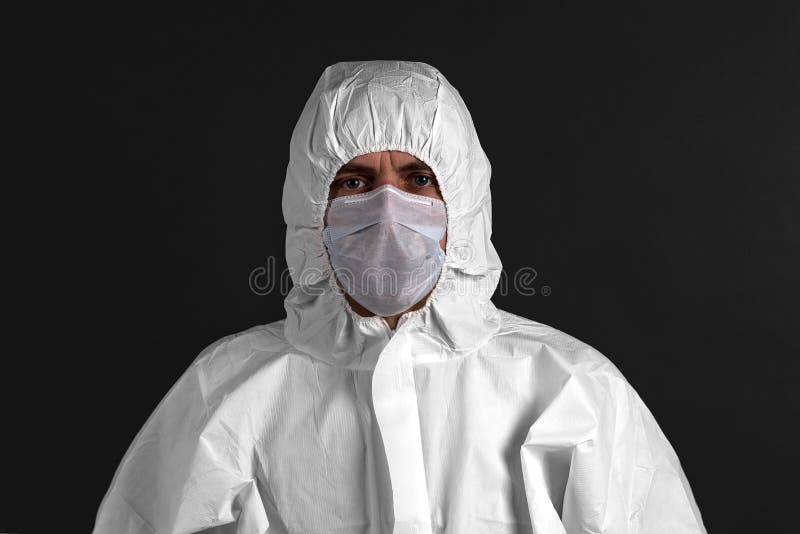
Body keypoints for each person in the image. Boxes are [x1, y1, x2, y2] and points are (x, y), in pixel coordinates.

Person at [93, 60, 707, 534]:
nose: (388, 210)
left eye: (418, 180)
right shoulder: (228, 390)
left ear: (462, 204)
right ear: (312, 208)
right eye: (354, 182)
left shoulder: (568, 387)